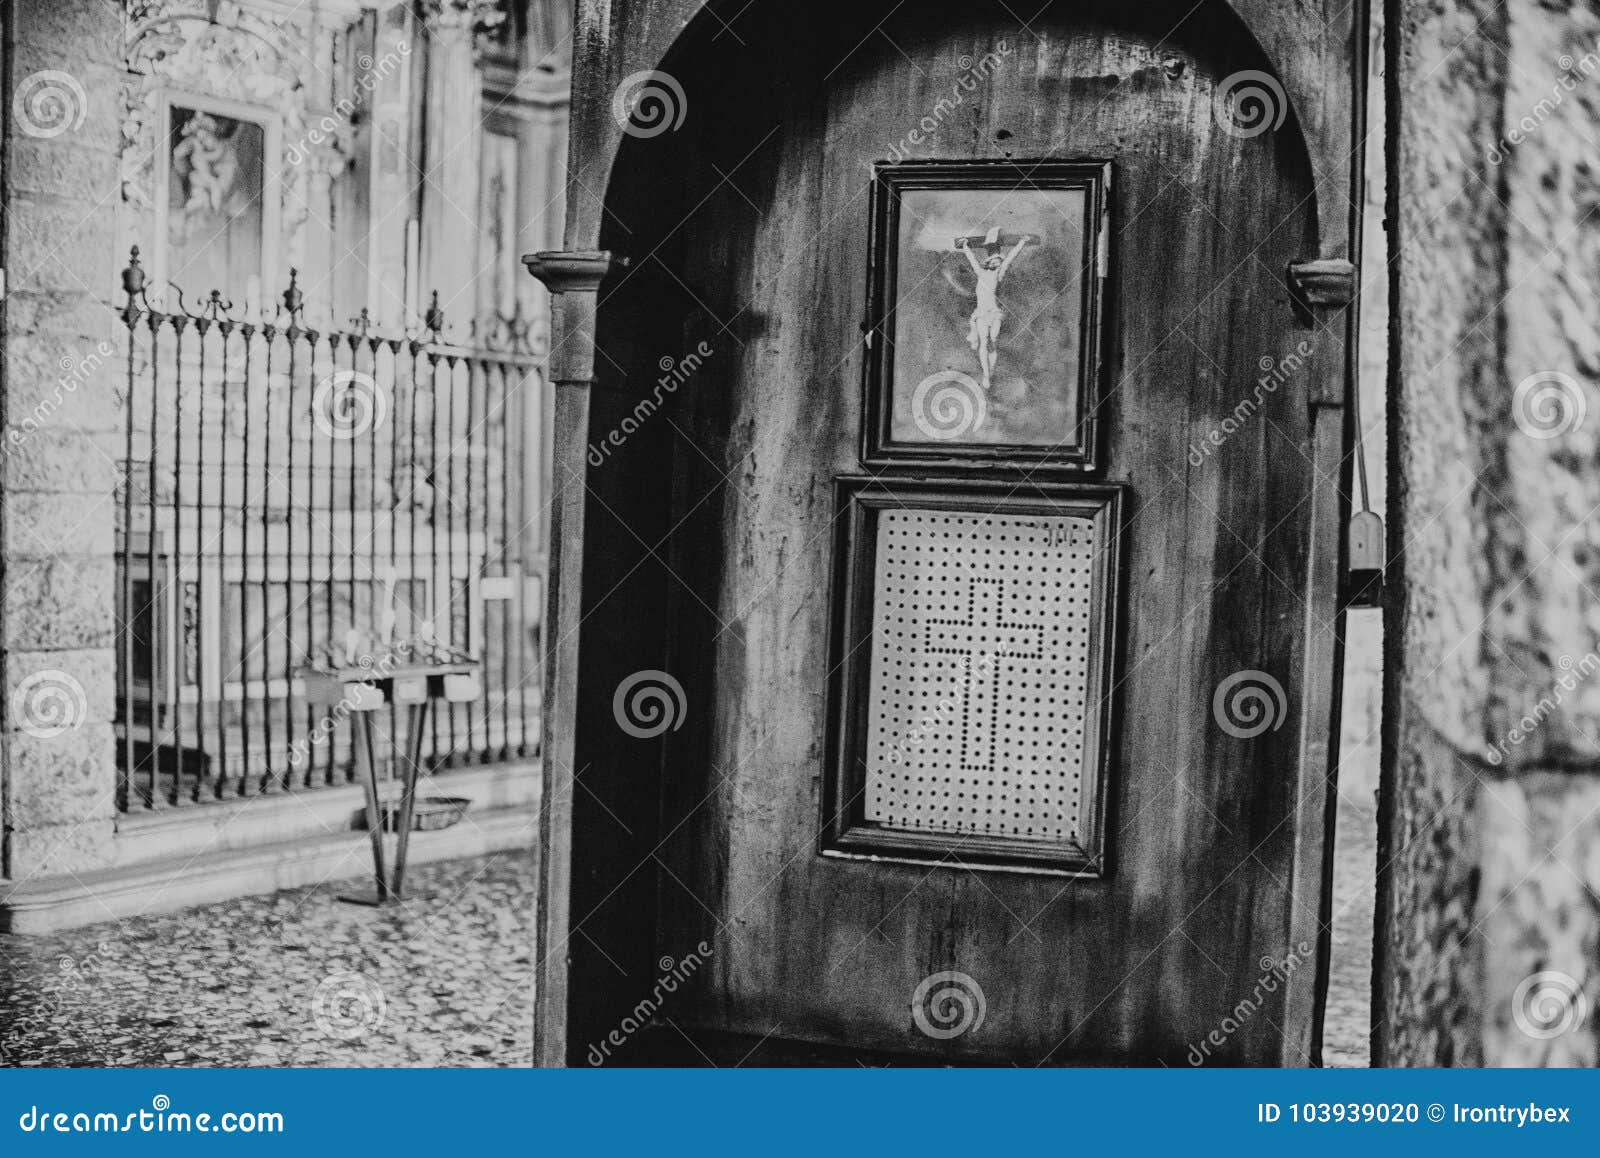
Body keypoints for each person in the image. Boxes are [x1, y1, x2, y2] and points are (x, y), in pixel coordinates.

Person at [957, 228, 1031, 390]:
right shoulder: (980, 273)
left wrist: (1021, 242)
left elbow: (1010, 257)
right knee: (984, 341)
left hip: (994, 313)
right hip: (982, 314)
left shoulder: (999, 274)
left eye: (999, 260)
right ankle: (986, 375)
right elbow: (972, 260)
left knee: (994, 339)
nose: (998, 262)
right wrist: (965, 247)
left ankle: (990, 371)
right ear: (990, 261)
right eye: (996, 260)